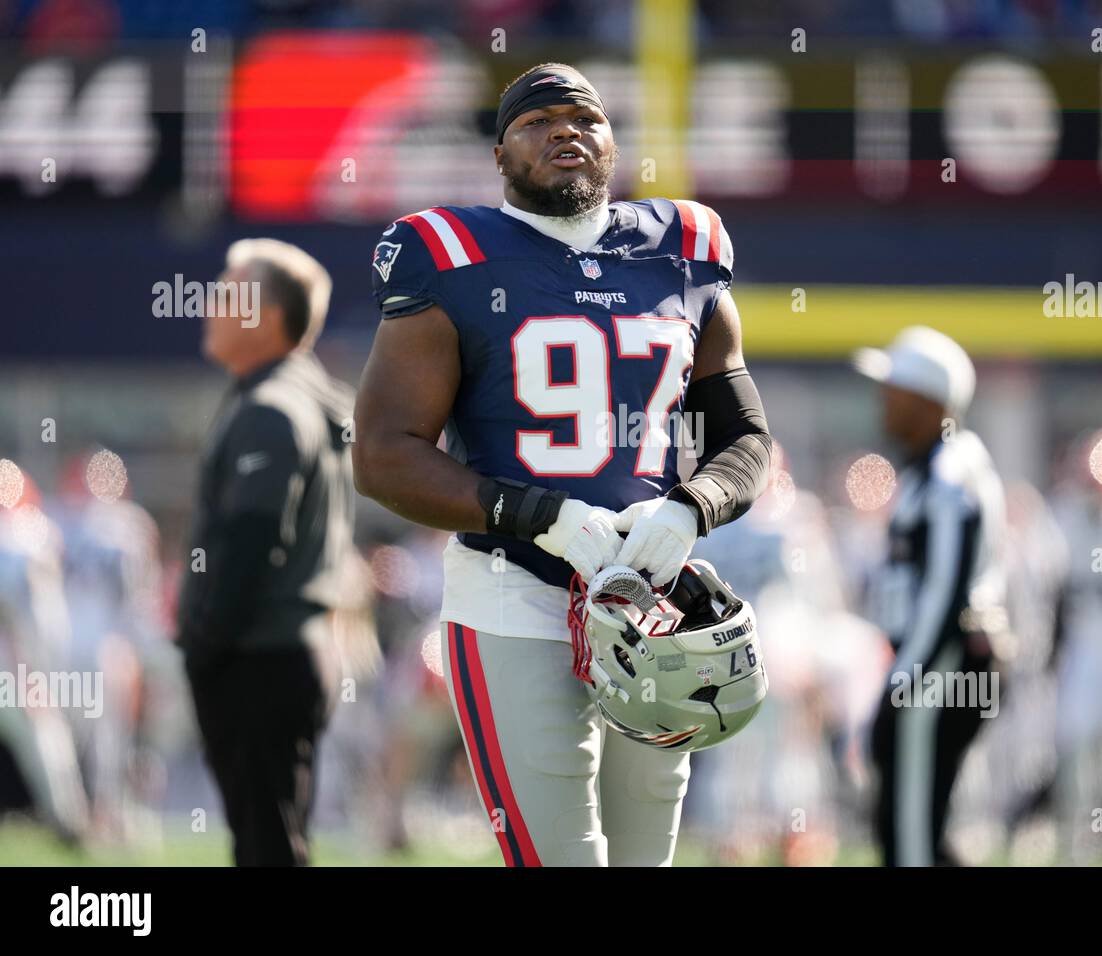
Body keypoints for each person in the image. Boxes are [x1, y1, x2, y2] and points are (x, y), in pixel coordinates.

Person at [353, 63, 772, 866]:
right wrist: (541, 516)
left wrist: (691, 508)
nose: (564, 131)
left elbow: (746, 437)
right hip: (514, 594)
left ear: (613, 143)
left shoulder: (681, 251)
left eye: (584, 117)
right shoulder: (449, 254)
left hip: (648, 603)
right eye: (537, 122)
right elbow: (382, 456)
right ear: (502, 154)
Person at [176, 238, 354, 866]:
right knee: (273, 839)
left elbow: (254, 540)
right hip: (287, 650)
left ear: (267, 316)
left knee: (267, 848)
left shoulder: (271, 408)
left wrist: (206, 639)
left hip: (258, 654)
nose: (209, 305)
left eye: (226, 293)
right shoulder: (301, 395)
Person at [853, 326, 1007, 866]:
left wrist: (903, 683)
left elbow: (946, 591)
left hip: (942, 665)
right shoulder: (929, 471)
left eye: (893, 392)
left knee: (910, 831)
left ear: (927, 402)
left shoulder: (949, 474)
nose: (883, 404)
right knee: (910, 821)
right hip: (931, 665)